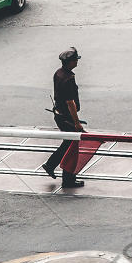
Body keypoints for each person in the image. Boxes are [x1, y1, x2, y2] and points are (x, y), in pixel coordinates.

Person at [43, 48, 86, 189]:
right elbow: (70, 103)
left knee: (68, 144)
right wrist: (77, 122)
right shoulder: (68, 78)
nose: (77, 61)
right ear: (70, 62)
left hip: (59, 115)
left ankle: (50, 165)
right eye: (76, 59)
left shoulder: (58, 73)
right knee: (72, 147)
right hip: (66, 117)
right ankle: (68, 180)